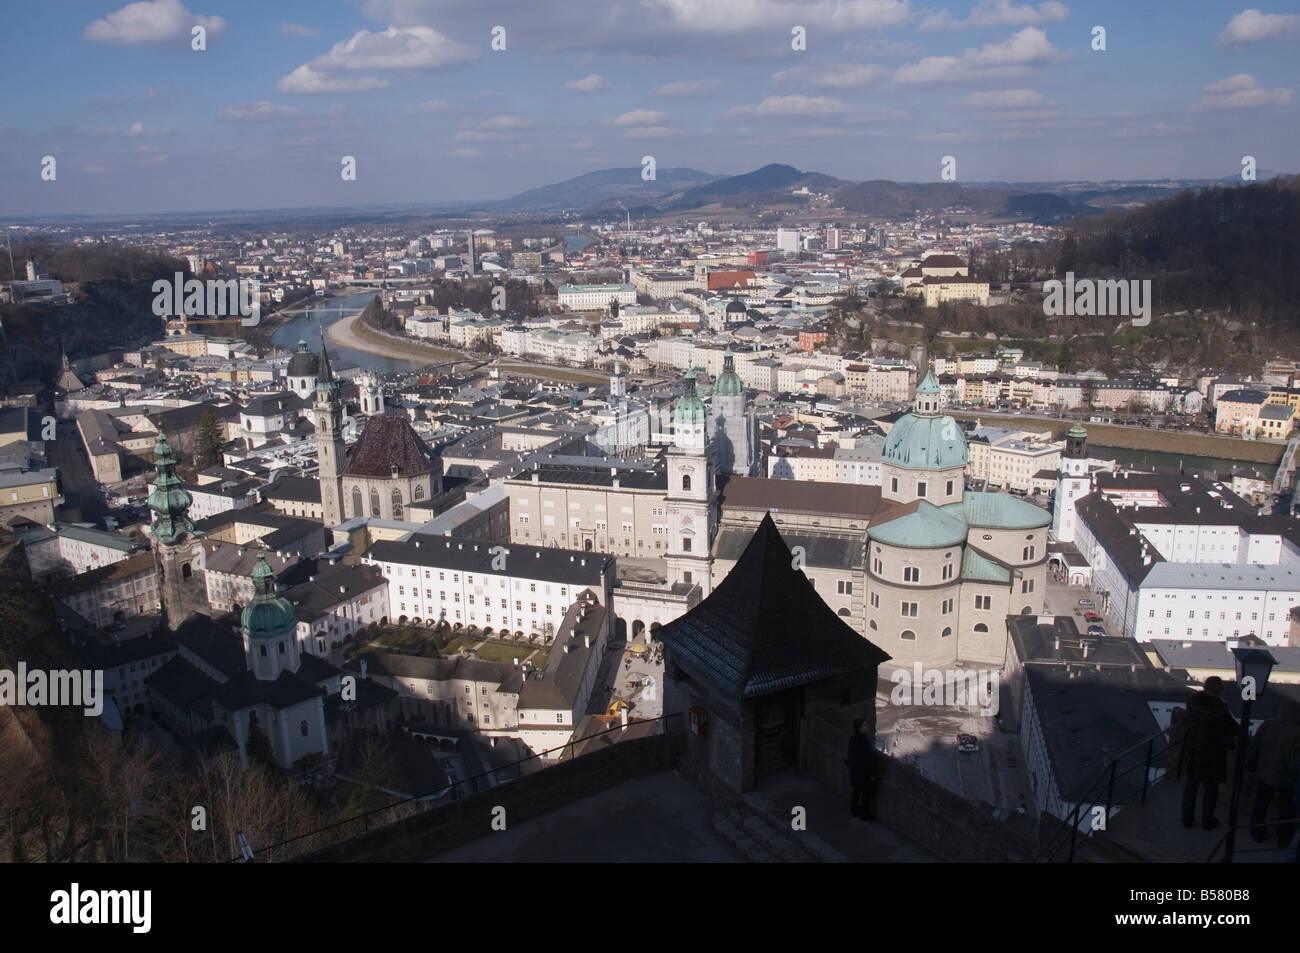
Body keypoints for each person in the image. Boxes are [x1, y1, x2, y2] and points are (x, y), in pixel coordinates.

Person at [1177, 677, 1239, 831]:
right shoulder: (1220, 709)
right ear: (1218, 689)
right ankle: (1207, 822)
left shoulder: (1192, 701)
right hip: (1212, 754)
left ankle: (1187, 820)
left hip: (1193, 749)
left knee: (1191, 786)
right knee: (1211, 788)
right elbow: (1232, 727)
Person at [1247, 698, 1300, 849]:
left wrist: (1251, 762)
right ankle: (1284, 840)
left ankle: (1256, 833)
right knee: (1286, 812)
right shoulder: (1297, 734)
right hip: (1286, 779)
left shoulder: (1268, 725)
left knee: (1260, 805)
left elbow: (1255, 745)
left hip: (1265, 773)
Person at [846, 717, 877, 821]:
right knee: (865, 794)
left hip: (855, 772)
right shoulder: (862, 741)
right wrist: (872, 773)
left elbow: (851, 755)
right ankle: (864, 815)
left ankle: (854, 811)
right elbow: (866, 759)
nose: (868, 726)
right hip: (863, 773)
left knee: (857, 792)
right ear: (860, 728)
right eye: (865, 725)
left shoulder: (854, 739)